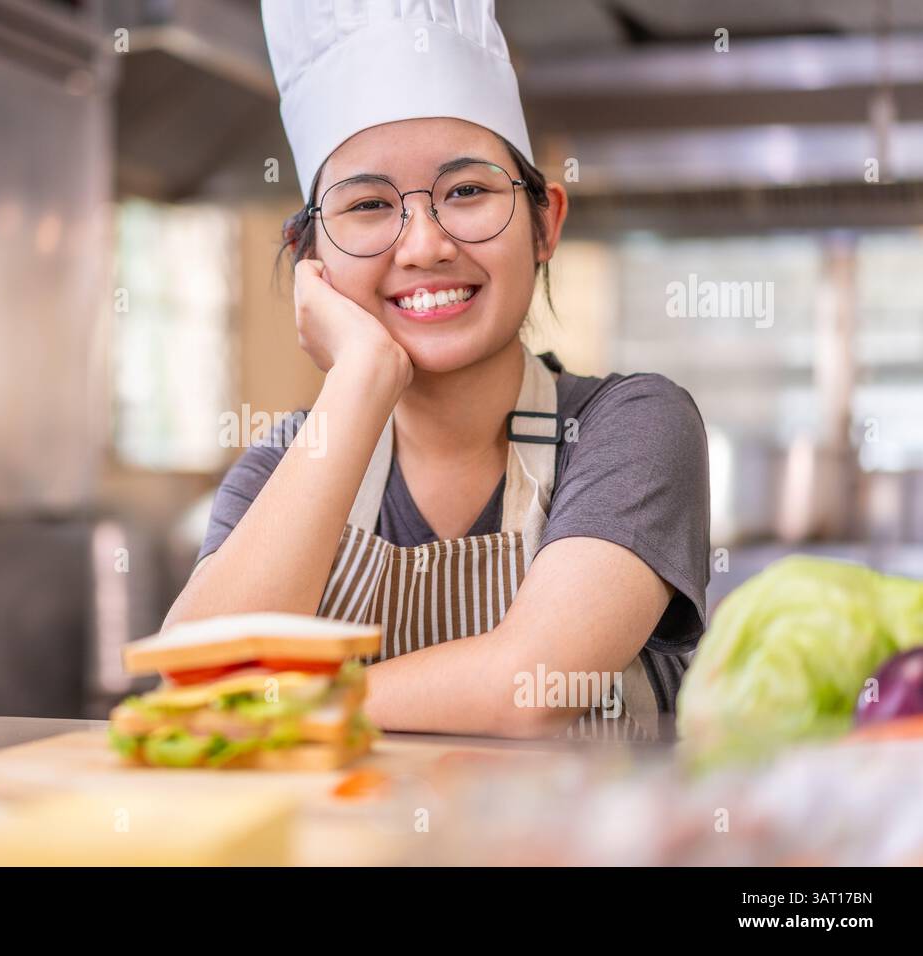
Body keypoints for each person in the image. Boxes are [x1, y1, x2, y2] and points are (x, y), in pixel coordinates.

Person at [164, 0, 710, 740]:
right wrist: (358, 377)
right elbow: (195, 677)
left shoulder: (632, 427)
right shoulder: (280, 465)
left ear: (545, 222)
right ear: (311, 262)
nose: (424, 245)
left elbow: (533, 686)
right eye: (367, 205)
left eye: (467, 192)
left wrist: (275, 704)